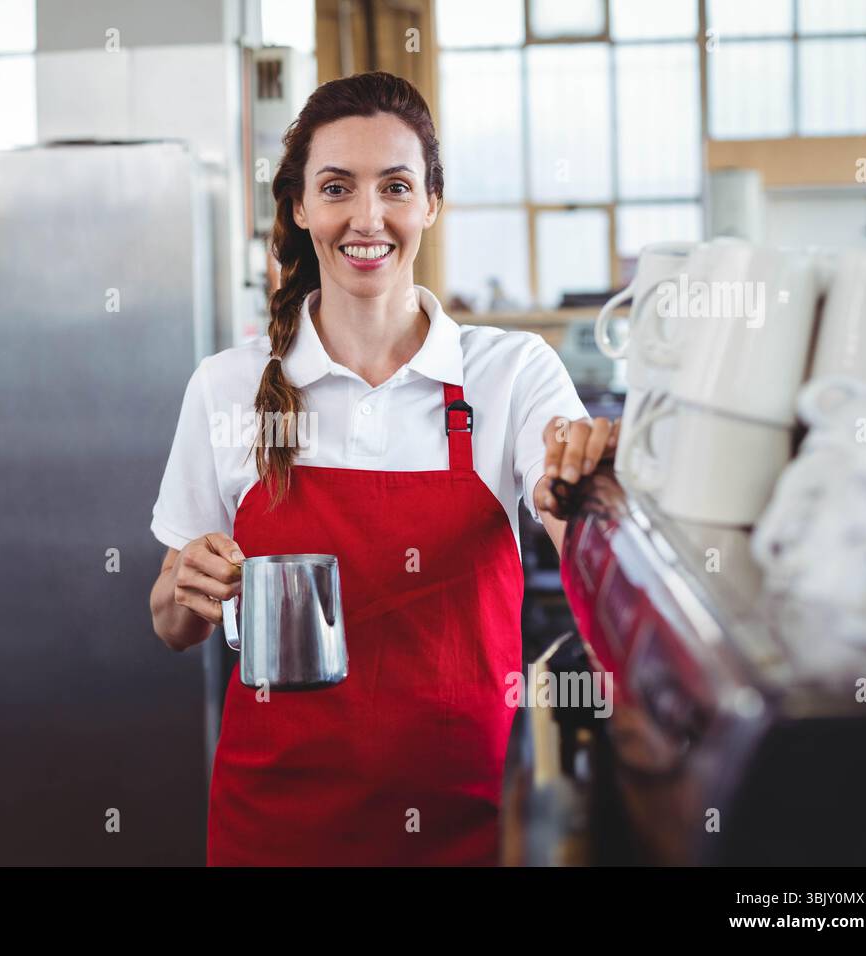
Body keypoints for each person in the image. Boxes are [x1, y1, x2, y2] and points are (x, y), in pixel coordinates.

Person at [149, 71, 618, 865]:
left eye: (395, 187)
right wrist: (185, 587)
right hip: (276, 830)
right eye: (337, 188)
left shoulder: (509, 374)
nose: (367, 218)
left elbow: (574, 517)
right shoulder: (226, 385)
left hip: (466, 825)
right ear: (300, 206)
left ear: (431, 202)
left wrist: (580, 488)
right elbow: (171, 622)